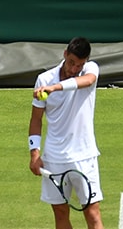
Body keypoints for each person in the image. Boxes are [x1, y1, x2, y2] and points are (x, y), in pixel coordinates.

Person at [29, 37, 104, 229]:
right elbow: (36, 119)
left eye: (79, 64)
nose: (74, 69)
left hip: (84, 156)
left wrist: (55, 88)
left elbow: (87, 80)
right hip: (54, 158)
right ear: (64, 54)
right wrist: (34, 153)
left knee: (92, 212)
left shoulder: (90, 69)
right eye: (71, 62)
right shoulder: (44, 79)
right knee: (60, 213)